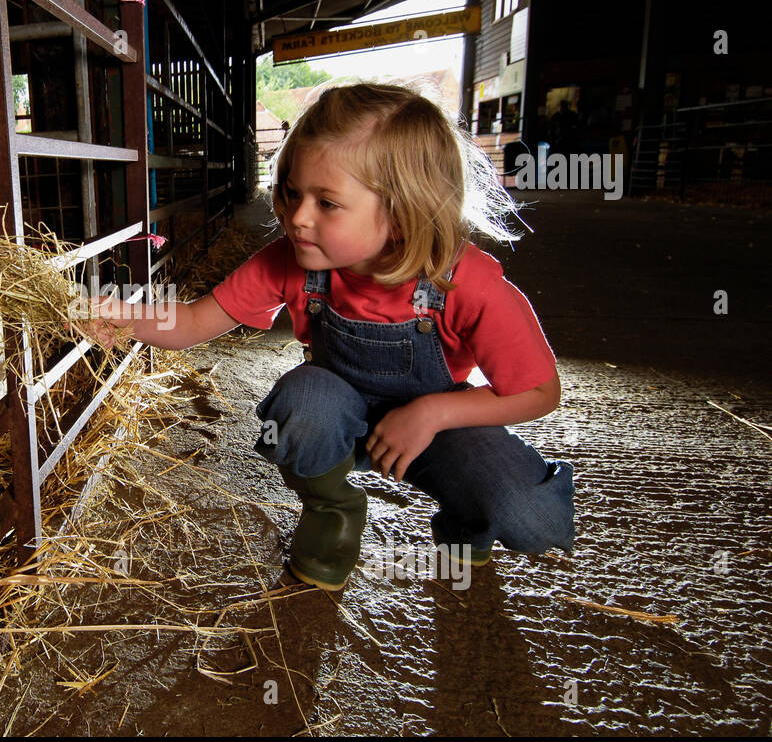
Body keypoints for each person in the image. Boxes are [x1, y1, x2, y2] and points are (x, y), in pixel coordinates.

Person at [82, 83, 574, 591]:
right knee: (302, 401)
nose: (297, 216)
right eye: (293, 192)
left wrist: (435, 413)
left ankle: (467, 521)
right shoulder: (290, 262)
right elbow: (190, 322)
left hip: (438, 425)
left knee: (535, 520)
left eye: (328, 203)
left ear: (404, 213)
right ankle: (330, 511)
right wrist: (122, 315)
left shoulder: (466, 283)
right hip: (338, 414)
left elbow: (539, 392)